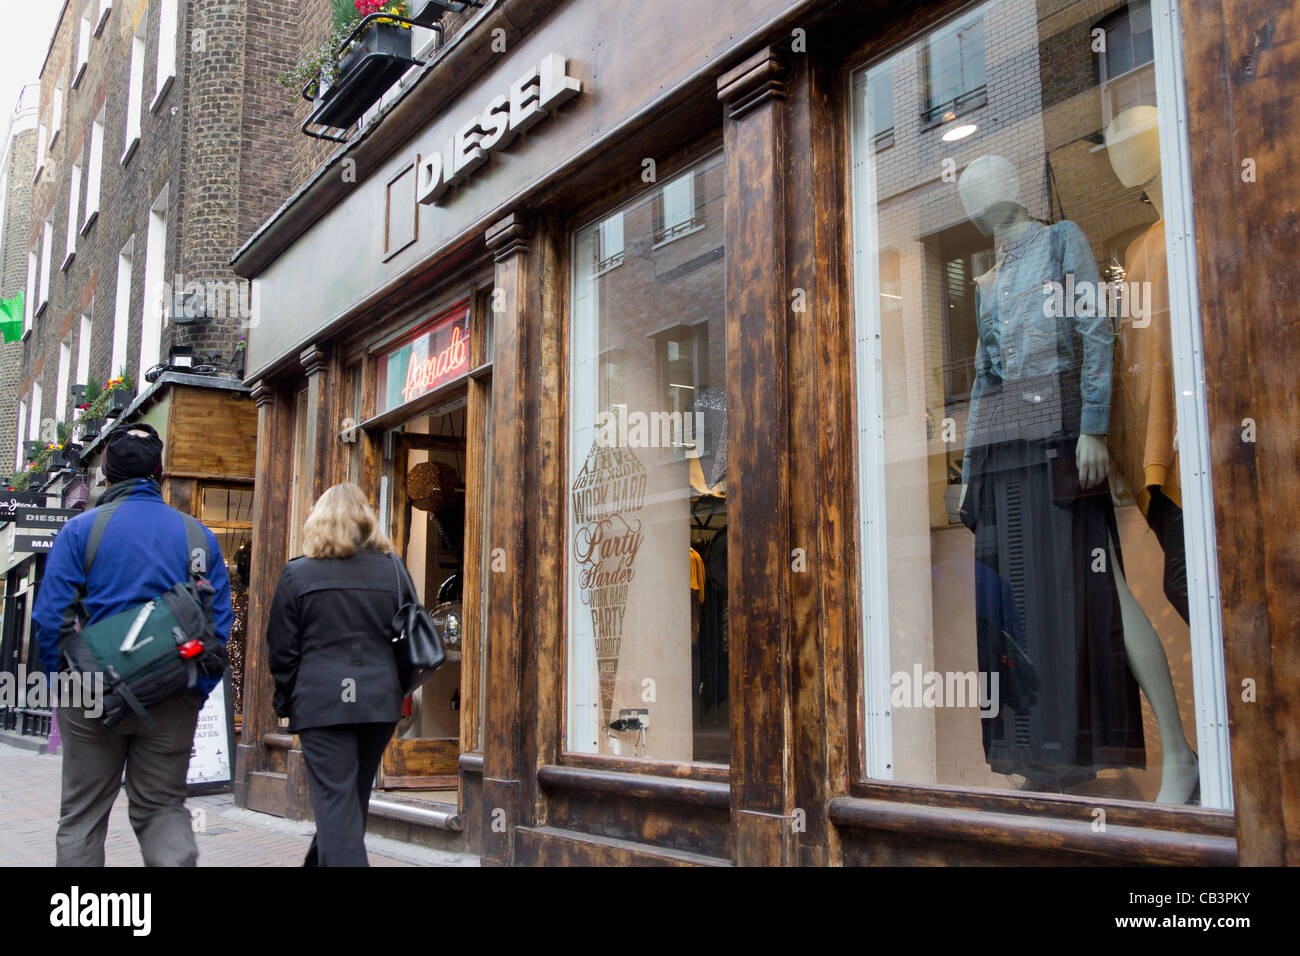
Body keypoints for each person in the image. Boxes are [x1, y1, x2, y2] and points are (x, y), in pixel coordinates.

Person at [34, 424, 233, 866]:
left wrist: (63, 685)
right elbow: (219, 625)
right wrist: (195, 690)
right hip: (170, 692)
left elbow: (50, 618)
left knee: (82, 816)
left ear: (105, 471)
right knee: (162, 809)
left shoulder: (79, 531)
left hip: (90, 697)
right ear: (159, 472)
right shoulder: (199, 537)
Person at [265, 483, 406, 866]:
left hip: (322, 702)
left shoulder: (297, 574)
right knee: (349, 801)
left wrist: (288, 700)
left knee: (336, 801)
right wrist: (395, 689)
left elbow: (282, 649)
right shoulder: (393, 569)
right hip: (377, 702)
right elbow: (411, 636)